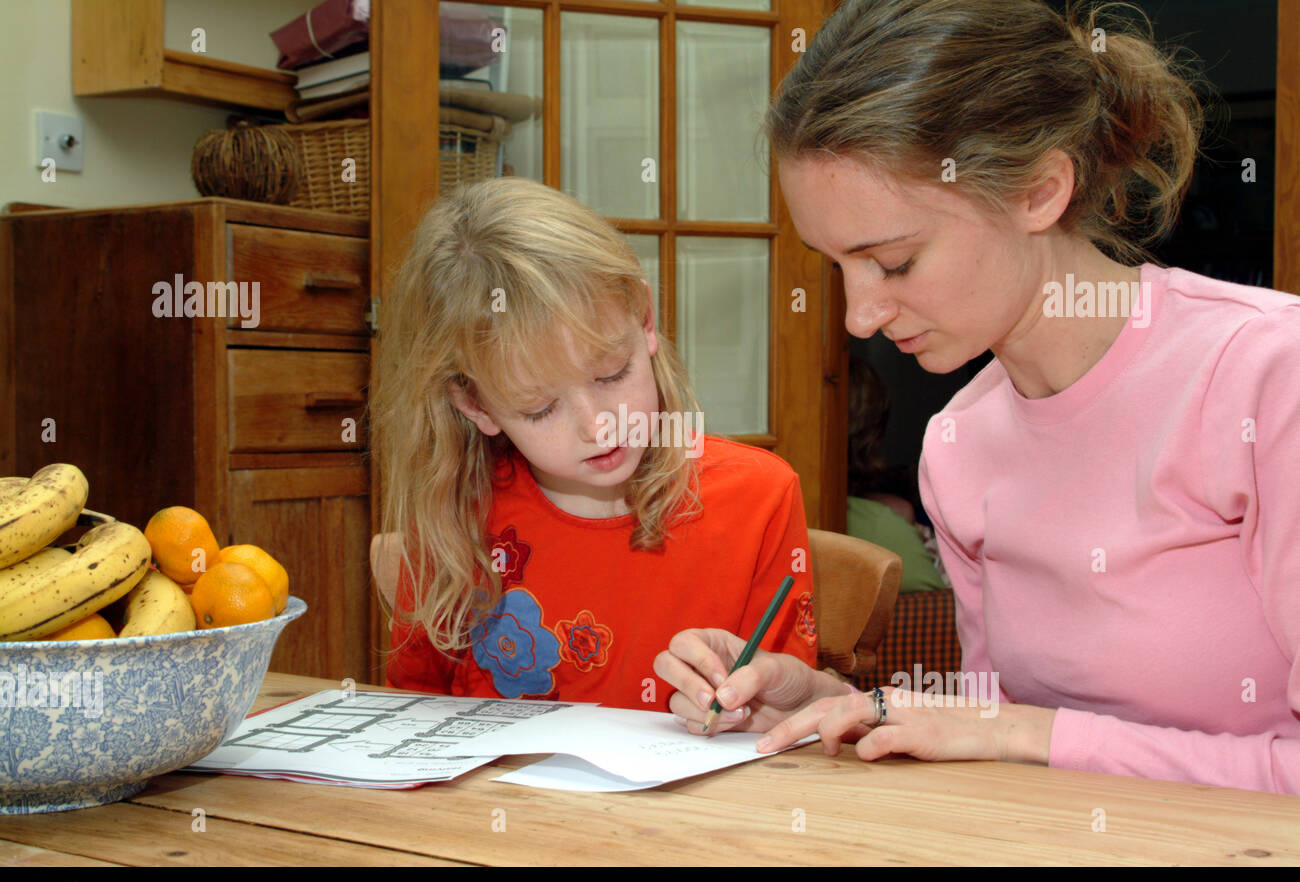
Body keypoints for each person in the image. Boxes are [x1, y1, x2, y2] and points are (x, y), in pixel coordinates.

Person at [655, 0, 1300, 794]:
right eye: (836, 266)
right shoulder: (960, 443)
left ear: (1039, 190)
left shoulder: (1268, 377)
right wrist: (843, 705)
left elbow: (1025, 733)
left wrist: (1022, 731)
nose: (859, 315)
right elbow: (996, 730)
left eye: (893, 262)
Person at [369, 176, 819, 710]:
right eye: (540, 408)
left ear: (644, 319)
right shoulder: (453, 514)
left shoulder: (759, 497)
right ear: (476, 406)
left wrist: (752, 711)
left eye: (611, 373)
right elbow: (410, 715)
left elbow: (788, 714)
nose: (598, 426)